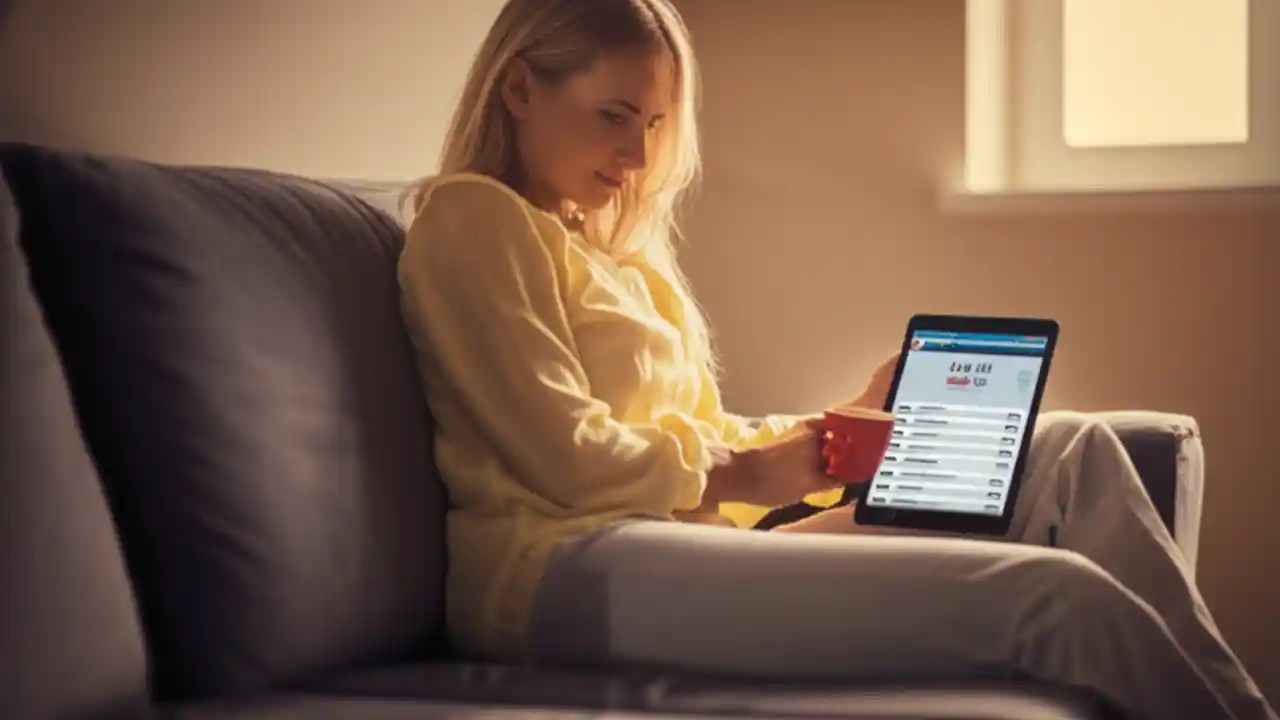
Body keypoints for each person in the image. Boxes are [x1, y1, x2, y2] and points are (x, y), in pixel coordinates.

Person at [395, 1, 1277, 718]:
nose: (637, 155)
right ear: (520, 87)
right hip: (559, 573)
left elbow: (700, 439)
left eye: (655, 123)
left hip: (680, 541)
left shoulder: (615, 258)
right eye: (614, 116)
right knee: (1058, 598)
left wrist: (838, 427)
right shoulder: (473, 221)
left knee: (1074, 448)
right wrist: (749, 472)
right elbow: (564, 452)